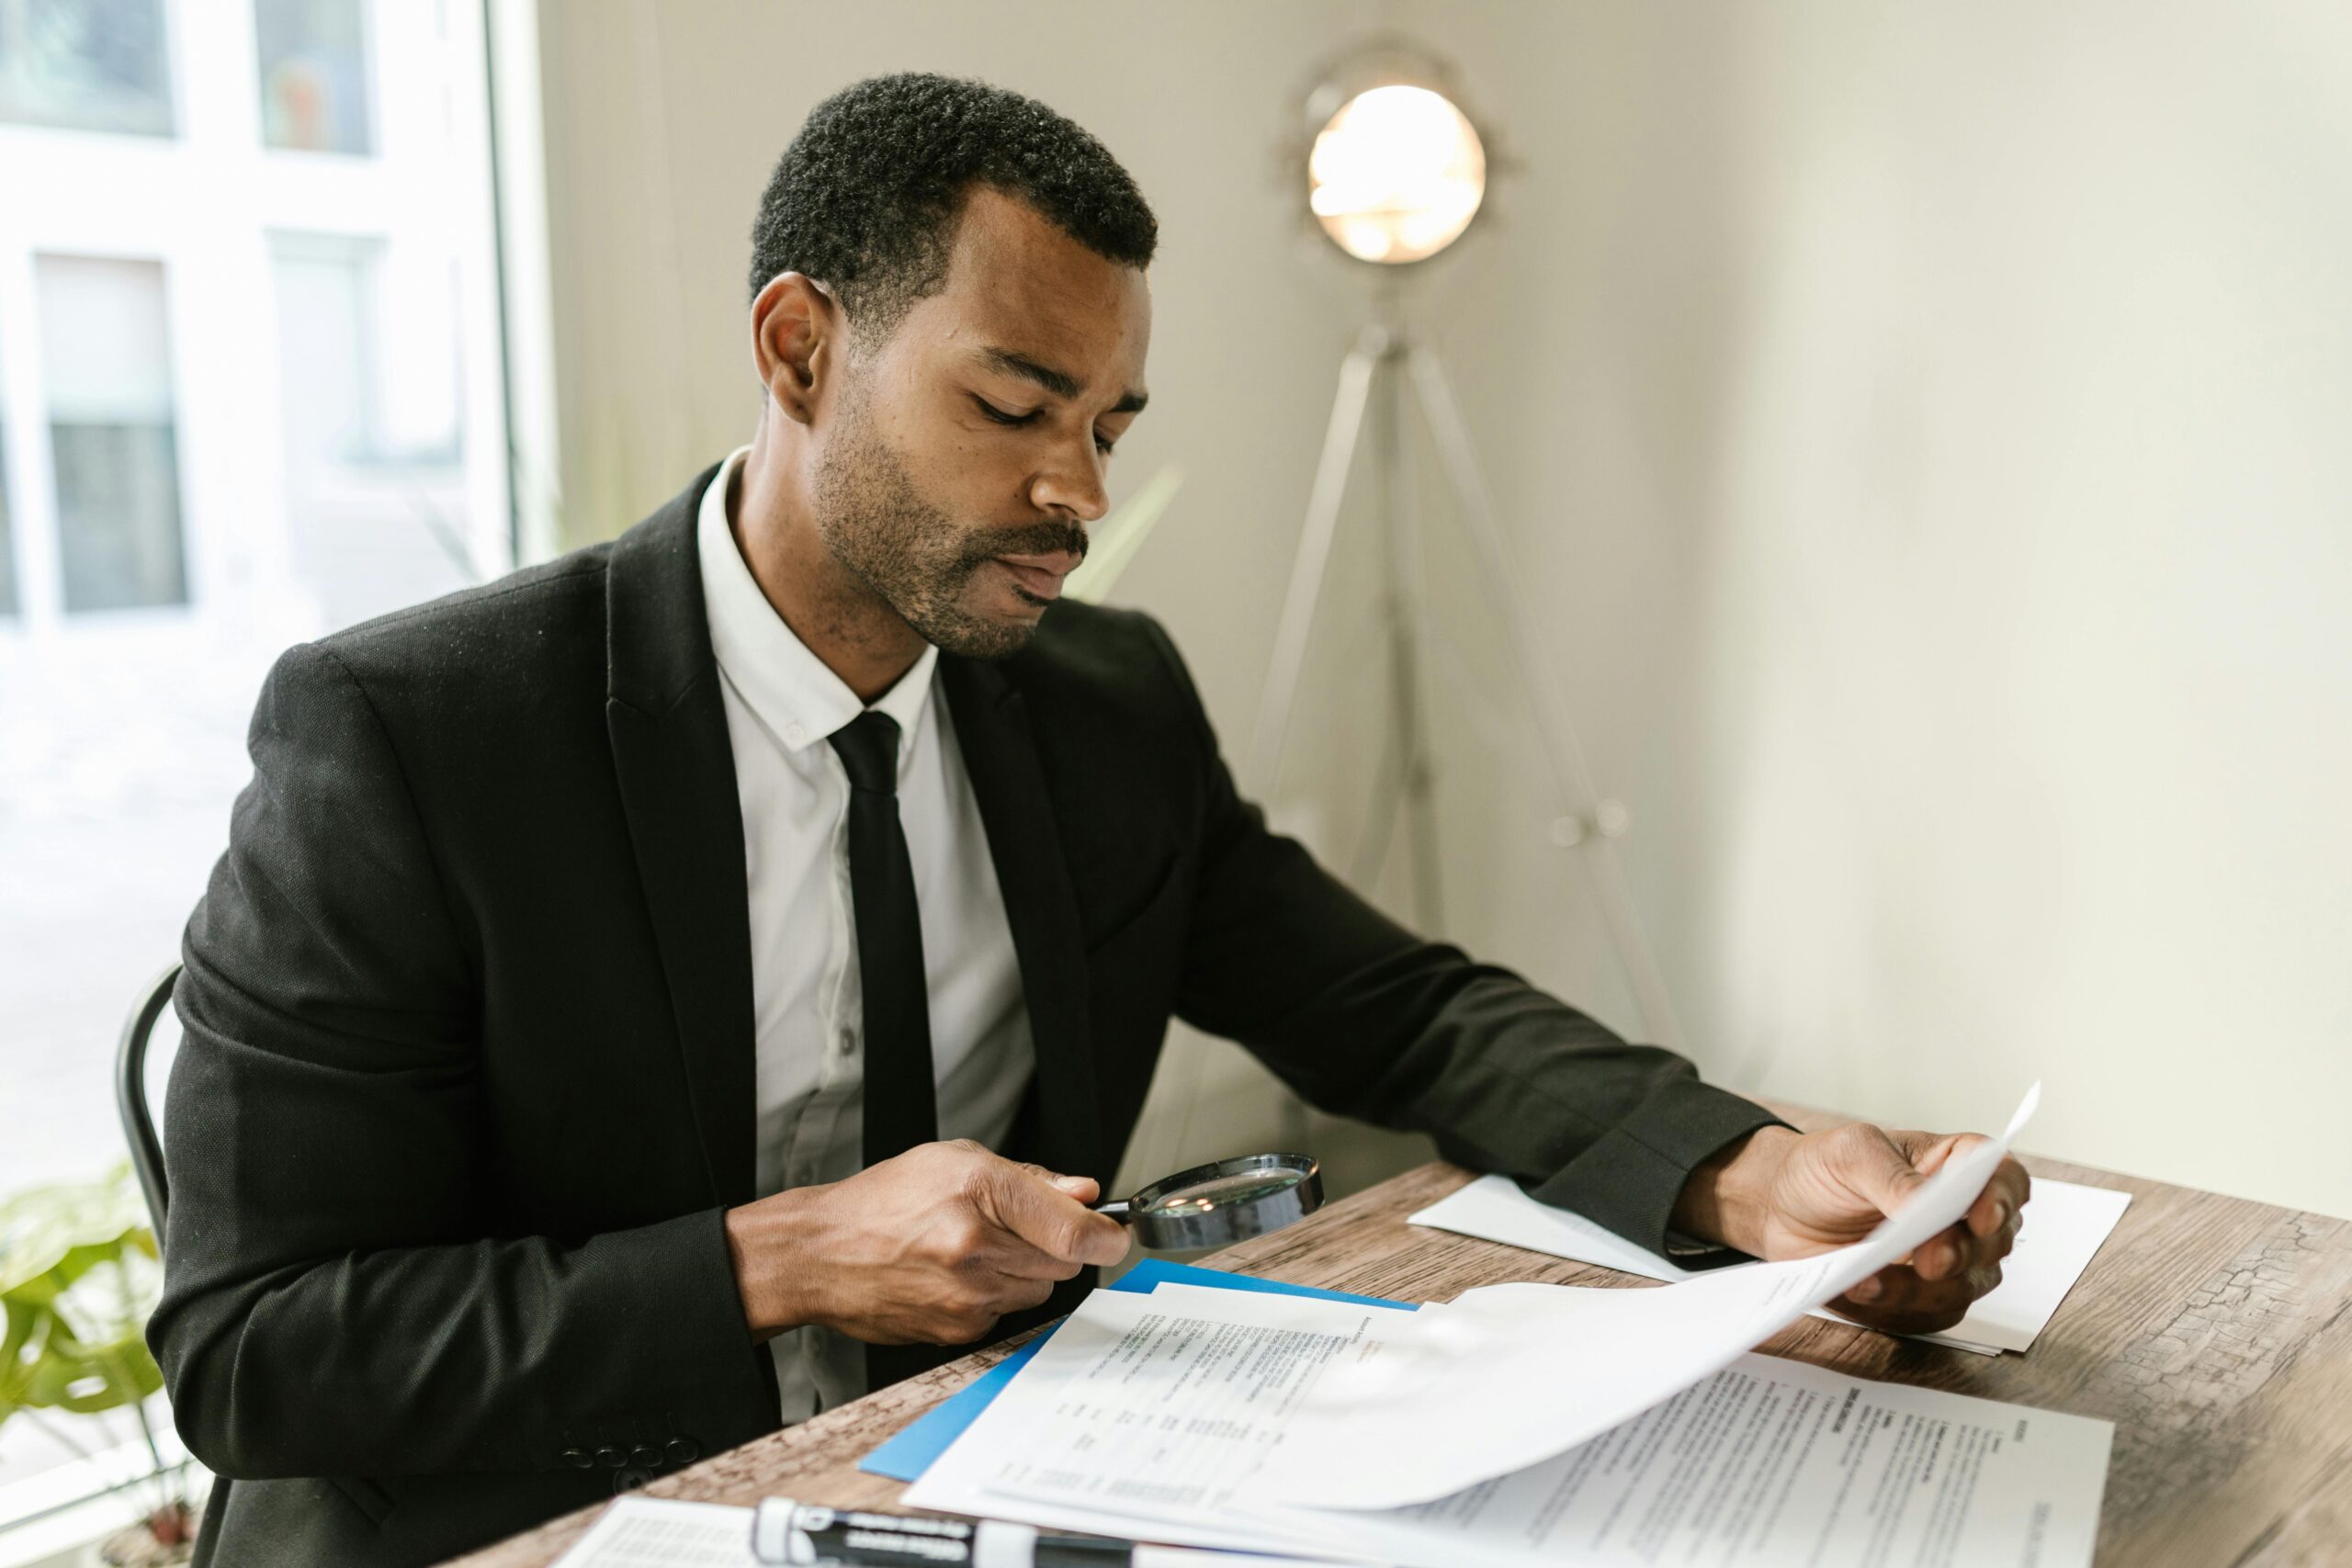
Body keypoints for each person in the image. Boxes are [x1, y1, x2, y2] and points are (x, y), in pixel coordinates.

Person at [149, 73, 2029, 1568]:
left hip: (973, 1483)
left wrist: (1732, 1164)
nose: (1073, 487)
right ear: (800, 350)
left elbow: (1398, 1009)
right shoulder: (416, 735)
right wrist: (778, 1253)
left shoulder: (1098, 703)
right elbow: (261, 1353)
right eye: (1014, 402)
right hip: (540, 1524)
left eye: (1111, 422)